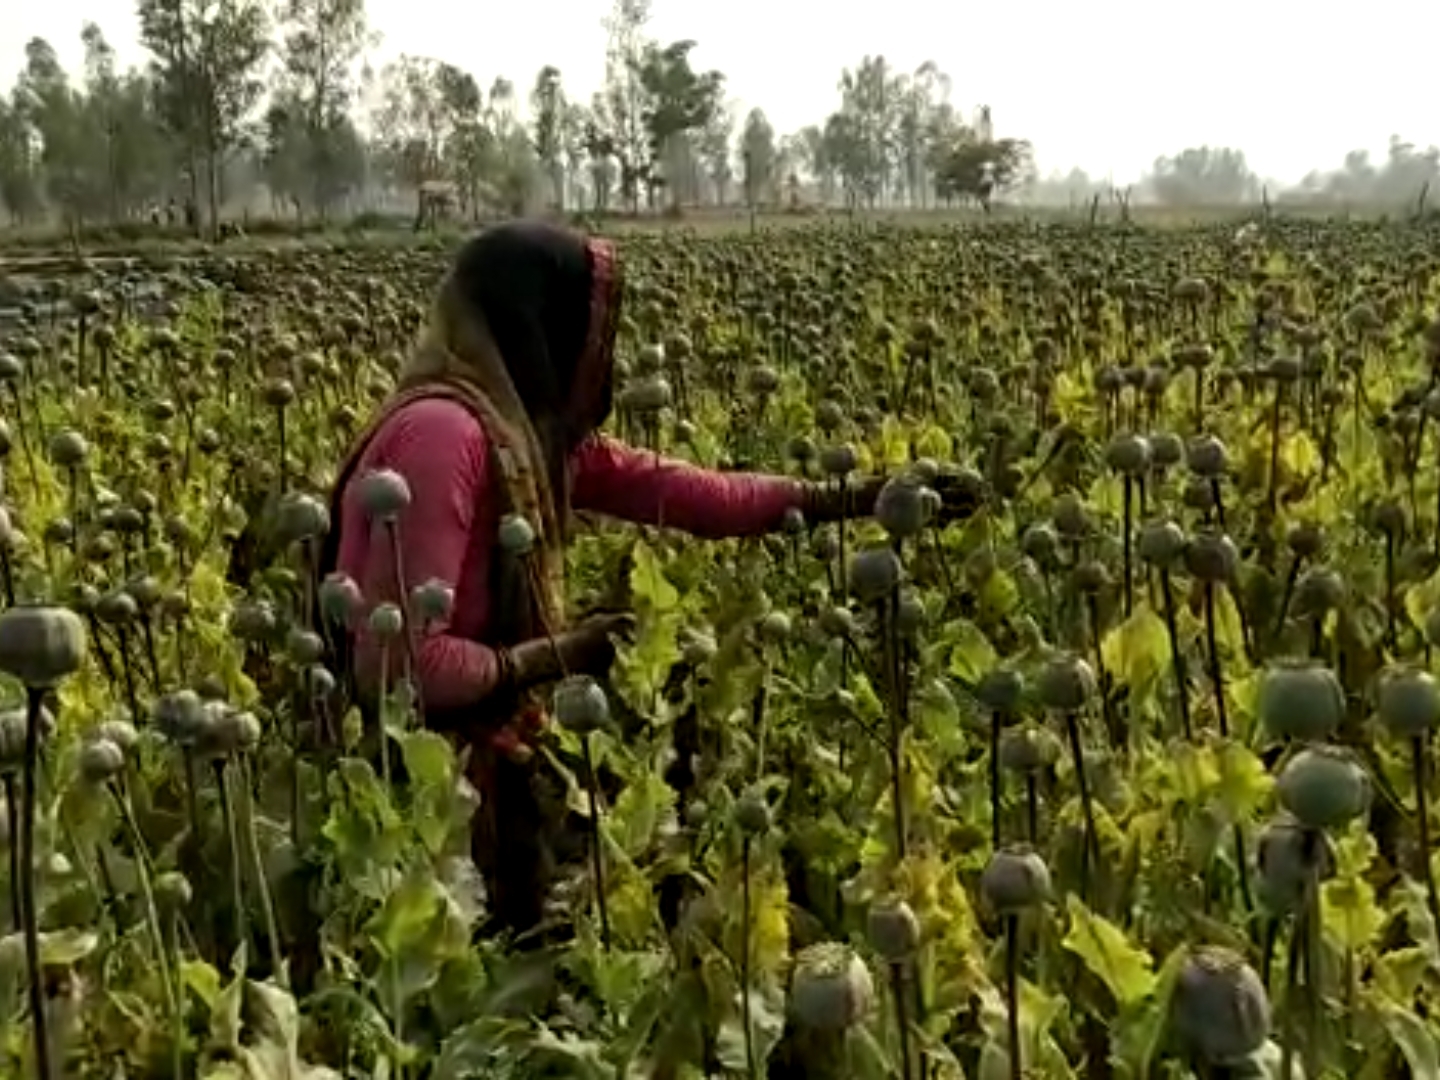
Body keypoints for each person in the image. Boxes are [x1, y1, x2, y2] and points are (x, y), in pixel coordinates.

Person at [320, 221, 973, 940]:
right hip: (415, 817)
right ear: (536, 326)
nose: (599, 357)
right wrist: (562, 654)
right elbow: (396, 669)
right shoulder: (446, 437)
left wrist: (857, 497)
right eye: (586, 330)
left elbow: (697, 496)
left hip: (485, 770)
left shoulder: (523, 439)